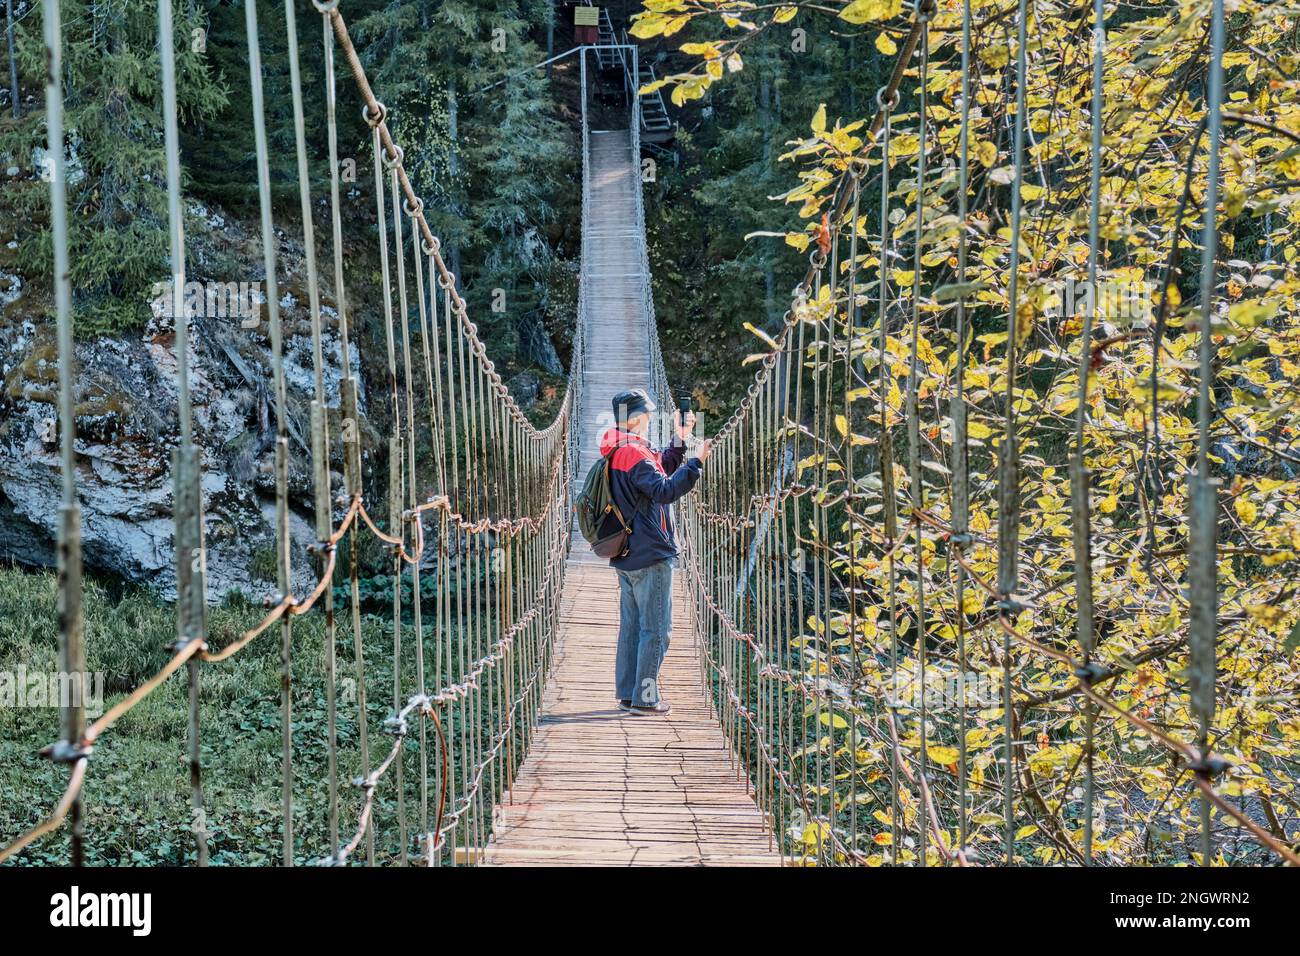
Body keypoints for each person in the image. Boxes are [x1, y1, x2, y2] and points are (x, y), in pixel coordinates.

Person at [598, 388, 711, 716]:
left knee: (633, 626)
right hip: (651, 554)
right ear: (635, 418)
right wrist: (695, 464)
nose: (650, 420)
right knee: (657, 630)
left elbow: (658, 468)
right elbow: (664, 490)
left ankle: (628, 694)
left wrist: (679, 439)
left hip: (628, 553)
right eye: (647, 415)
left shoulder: (618, 448)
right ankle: (646, 698)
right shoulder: (633, 452)